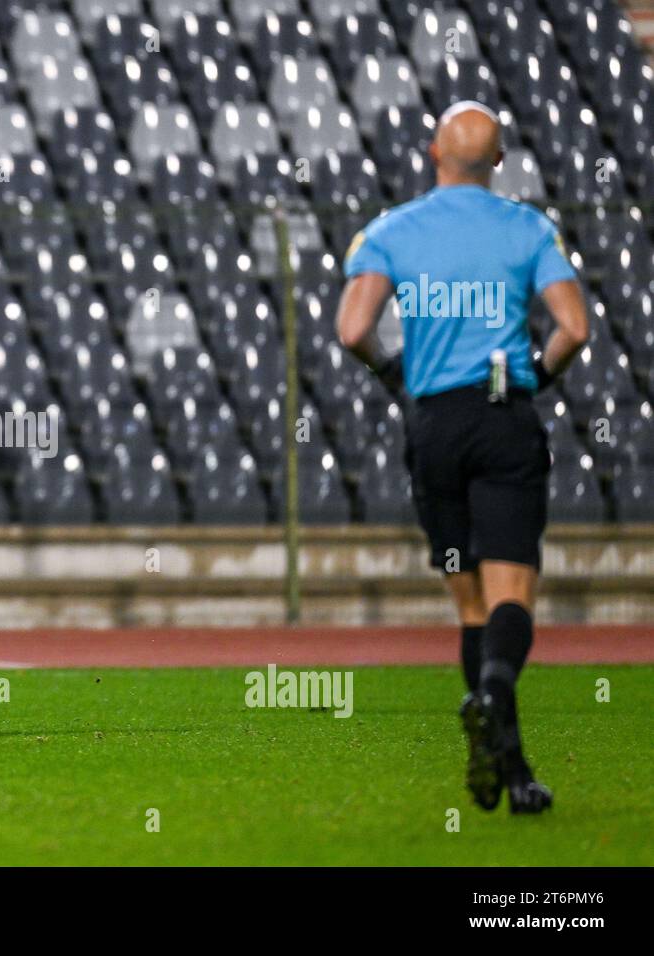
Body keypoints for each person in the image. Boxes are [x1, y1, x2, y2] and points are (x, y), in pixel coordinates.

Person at [335, 101, 589, 813]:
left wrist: (397, 377)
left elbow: (354, 328)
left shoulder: (393, 231)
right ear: (499, 161)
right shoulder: (526, 228)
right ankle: (498, 689)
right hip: (504, 417)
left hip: (435, 425)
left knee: (472, 605)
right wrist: (538, 372)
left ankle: (511, 769)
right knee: (513, 597)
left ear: (431, 151)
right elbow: (575, 327)